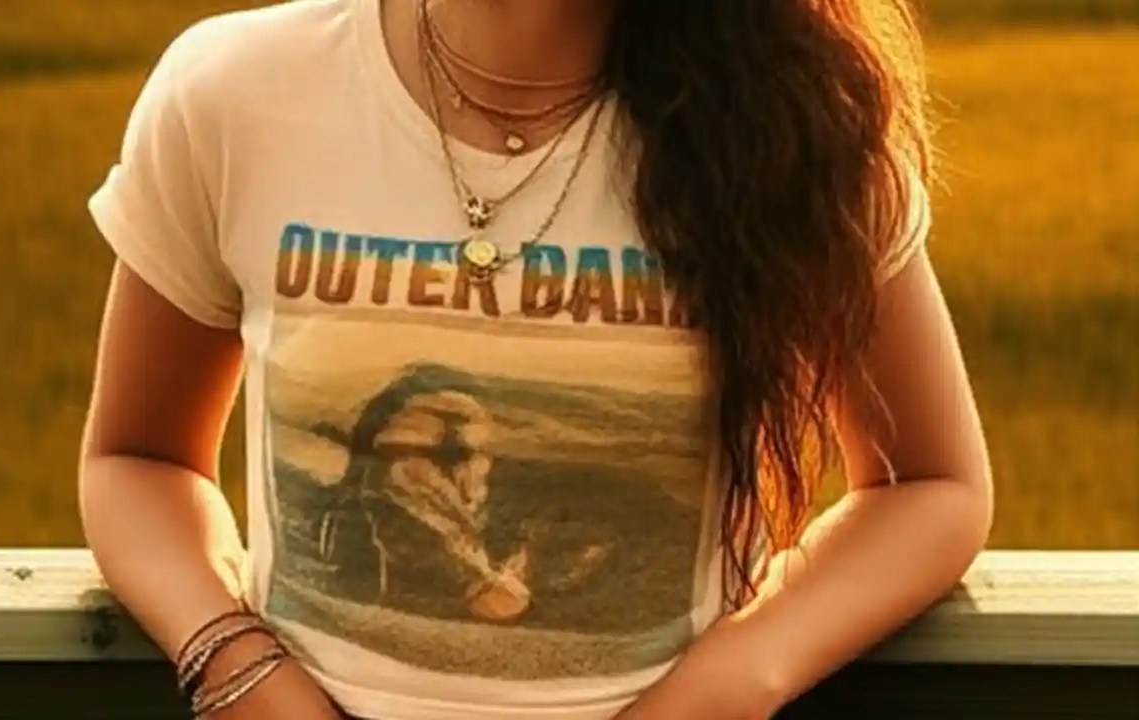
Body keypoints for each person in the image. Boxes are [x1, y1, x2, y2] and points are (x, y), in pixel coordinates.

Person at [78, 0, 994, 717]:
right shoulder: (236, 92)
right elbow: (138, 459)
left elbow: (931, 484)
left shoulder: (797, 122)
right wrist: (240, 670)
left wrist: (729, 683)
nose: (460, 476)